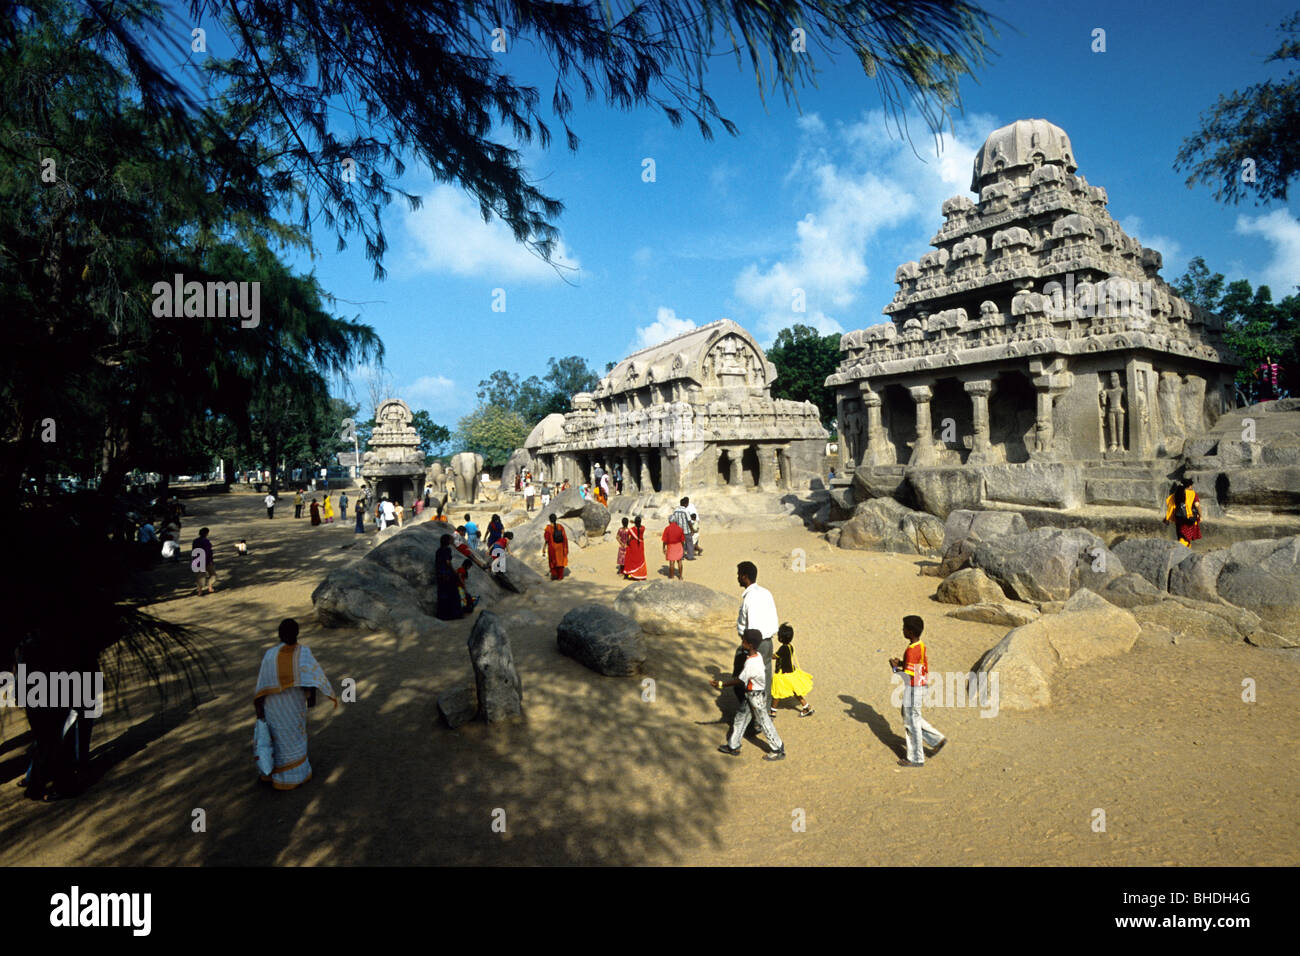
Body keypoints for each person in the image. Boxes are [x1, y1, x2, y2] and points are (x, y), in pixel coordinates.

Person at [254, 618, 336, 790]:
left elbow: (262, 684)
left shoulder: (270, 655)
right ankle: (295, 776)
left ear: (279, 635)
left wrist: (259, 709)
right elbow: (311, 678)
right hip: (293, 704)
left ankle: (272, 774)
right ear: (297, 634)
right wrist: (311, 699)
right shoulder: (303, 652)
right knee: (294, 738)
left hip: (274, 706)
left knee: (276, 738)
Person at [711, 629, 785, 761]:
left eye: (744, 640)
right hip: (752, 695)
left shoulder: (751, 663)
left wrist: (722, 684)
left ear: (750, 644)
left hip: (755, 696)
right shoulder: (757, 656)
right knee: (741, 718)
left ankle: (777, 748)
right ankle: (733, 745)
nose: (742, 642)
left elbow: (740, 680)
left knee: (764, 721)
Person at [890, 615, 945, 767]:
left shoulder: (910, 651)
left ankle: (916, 758)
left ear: (910, 631)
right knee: (911, 715)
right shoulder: (920, 645)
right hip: (921, 685)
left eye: (904, 628)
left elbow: (907, 675)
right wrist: (900, 663)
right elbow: (915, 666)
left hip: (914, 687)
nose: (902, 630)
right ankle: (936, 739)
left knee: (911, 721)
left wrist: (894, 668)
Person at [736, 561, 779, 716]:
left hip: (755, 645)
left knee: (749, 682)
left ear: (745, 576)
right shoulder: (766, 593)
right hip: (768, 642)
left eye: (739, 574)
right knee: (765, 678)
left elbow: (753, 629)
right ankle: (764, 714)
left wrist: (749, 649)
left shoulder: (750, 598)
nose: (737, 578)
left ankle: (753, 718)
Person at [771, 623, 814, 716]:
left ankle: (773, 711)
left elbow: (775, 656)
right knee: (796, 691)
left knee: (776, 693)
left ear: (781, 638)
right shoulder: (790, 646)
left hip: (783, 674)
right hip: (791, 673)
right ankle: (806, 706)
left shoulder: (783, 648)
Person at [1163, 477, 1203, 547]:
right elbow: (1197, 505)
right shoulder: (1193, 494)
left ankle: (1181, 548)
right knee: (1187, 536)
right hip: (1189, 517)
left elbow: (1170, 504)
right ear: (1190, 485)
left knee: (1180, 534)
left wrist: (1167, 517)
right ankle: (1185, 549)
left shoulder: (1178, 492)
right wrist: (1201, 515)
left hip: (1178, 517)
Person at [434, 534, 464, 620]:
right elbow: (447, 562)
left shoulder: (438, 550)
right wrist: (454, 572)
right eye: (451, 539)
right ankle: (455, 614)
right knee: (453, 594)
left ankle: (443, 615)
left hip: (440, 575)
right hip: (447, 575)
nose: (452, 541)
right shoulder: (447, 549)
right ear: (448, 541)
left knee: (443, 595)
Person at [543, 514, 569, 581]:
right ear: (556, 519)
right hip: (560, 547)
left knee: (553, 561)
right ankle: (560, 576)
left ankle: (554, 575)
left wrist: (544, 547)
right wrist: (565, 548)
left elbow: (546, 538)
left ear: (549, 520)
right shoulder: (560, 526)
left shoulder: (548, 528)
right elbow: (565, 538)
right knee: (560, 561)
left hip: (552, 547)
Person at [192, 526, 216, 596]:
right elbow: (208, 552)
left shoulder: (195, 541)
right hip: (206, 560)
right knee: (213, 574)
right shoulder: (206, 541)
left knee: (200, 577)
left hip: (197, 560)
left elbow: (194, 551)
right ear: (206, 533)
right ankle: (210, 586)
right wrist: (210, 560)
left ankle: (200, 591)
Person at [622, 515, 647, 580]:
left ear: (635, 522)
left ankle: (630, 575)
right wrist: (635, 522)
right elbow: (640, 526)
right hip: (640, 546)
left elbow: (628, 538)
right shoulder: (643, 528)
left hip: (633, 546)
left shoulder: (631, 530)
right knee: (640, 560)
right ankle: (640, 575)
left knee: (630, 559)